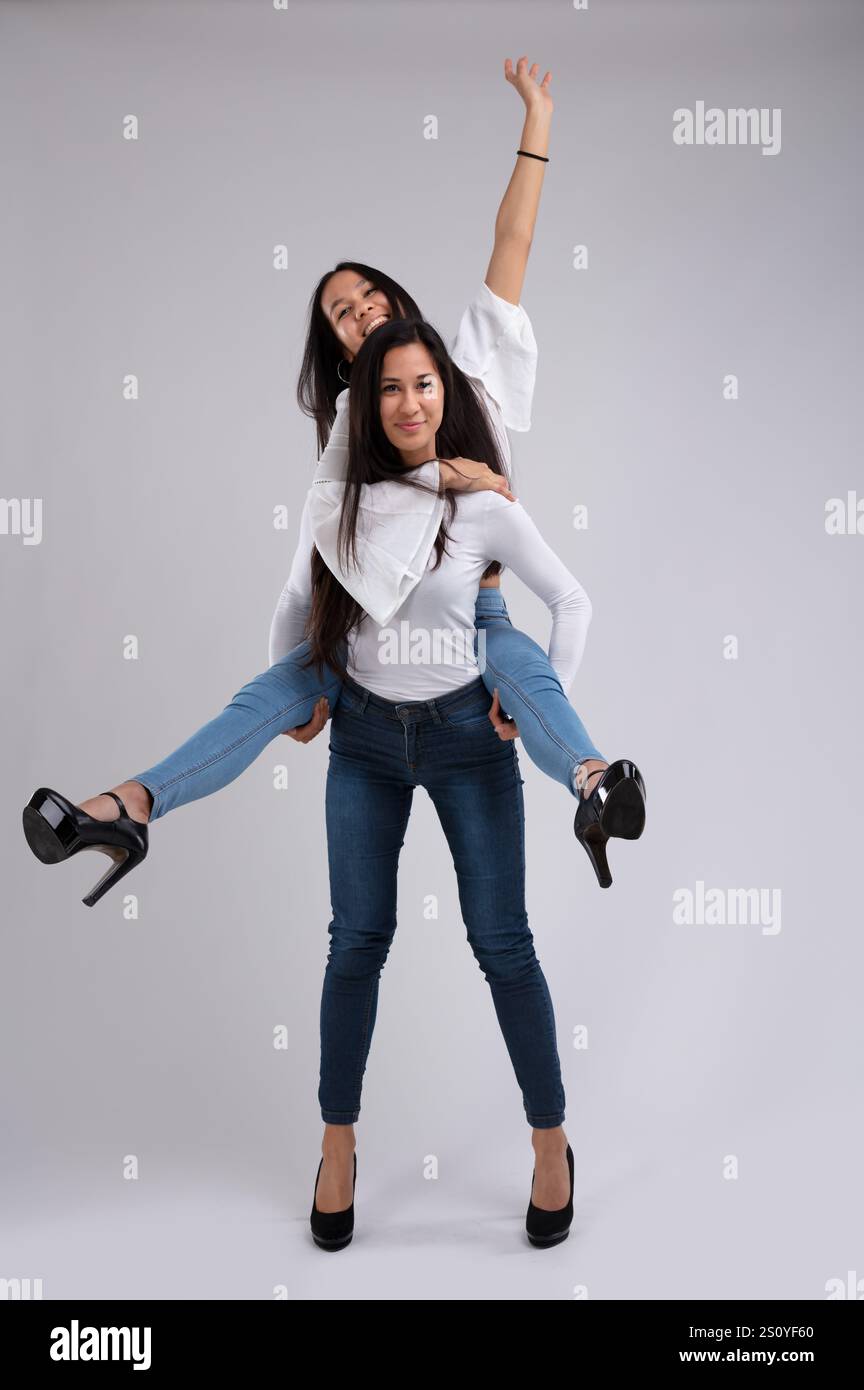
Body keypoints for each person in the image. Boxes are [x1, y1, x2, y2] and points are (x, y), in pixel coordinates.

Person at [21, 55, 641, 906]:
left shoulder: (467, 366)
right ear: (346, 353)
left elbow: (513, 242)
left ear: (399, 301)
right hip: (366, 637)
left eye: (368, 294)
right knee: (262, 696)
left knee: (523, 664)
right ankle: (127, 806)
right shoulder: (352, 437)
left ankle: (596, 786)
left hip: (472, 611)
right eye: (342, 314)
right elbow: (304, 577)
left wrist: (537, 118)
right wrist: (298, 689)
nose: (360, 311)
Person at [298, 314, 644, 1250]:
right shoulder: (344, 501)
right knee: (355, 944)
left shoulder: (483, 507)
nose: (409, 402)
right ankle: (337, 1148)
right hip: (366, 740)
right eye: (389, 387)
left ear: (447, 395)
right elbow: (303, 599)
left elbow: (571, 600)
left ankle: (550, 1141)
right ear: (367, 405)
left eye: (425, 384)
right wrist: (299, 686)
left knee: (503, 945)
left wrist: (530, 700)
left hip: (463, 736)